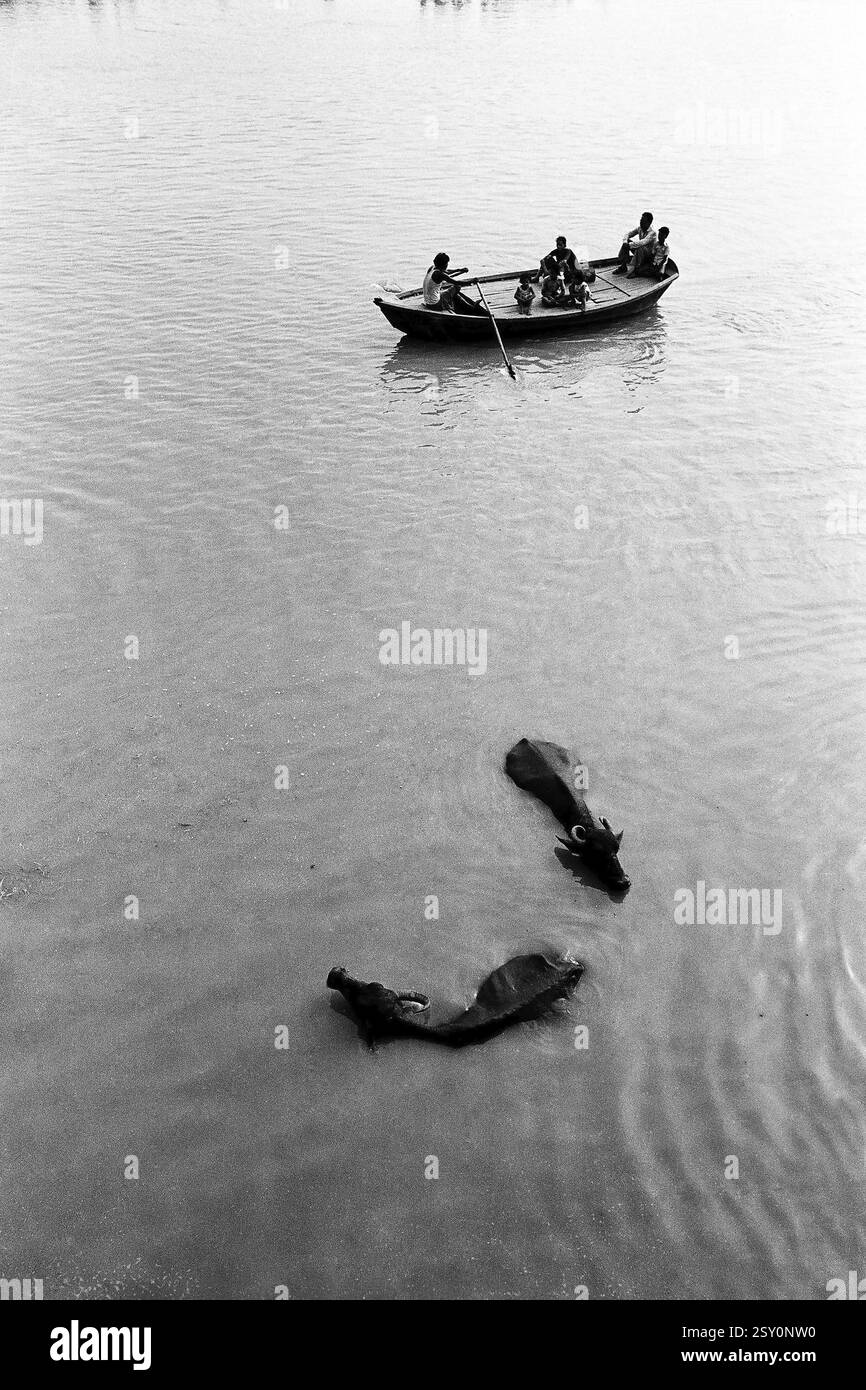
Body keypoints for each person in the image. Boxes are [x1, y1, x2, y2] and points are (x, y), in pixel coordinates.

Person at [613, 212, 657, 276]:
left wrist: (629, 245)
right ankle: (623, 266)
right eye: (641, 220)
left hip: (649, 255)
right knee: (627, 242)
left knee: (640, 247)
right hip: (641, 252)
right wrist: (625, 242)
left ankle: (636, 270)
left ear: (648, 223)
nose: (640, 222)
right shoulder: (640, 228)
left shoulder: (653, 233)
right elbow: (628, 234)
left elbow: (643, 242)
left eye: (643, 220)